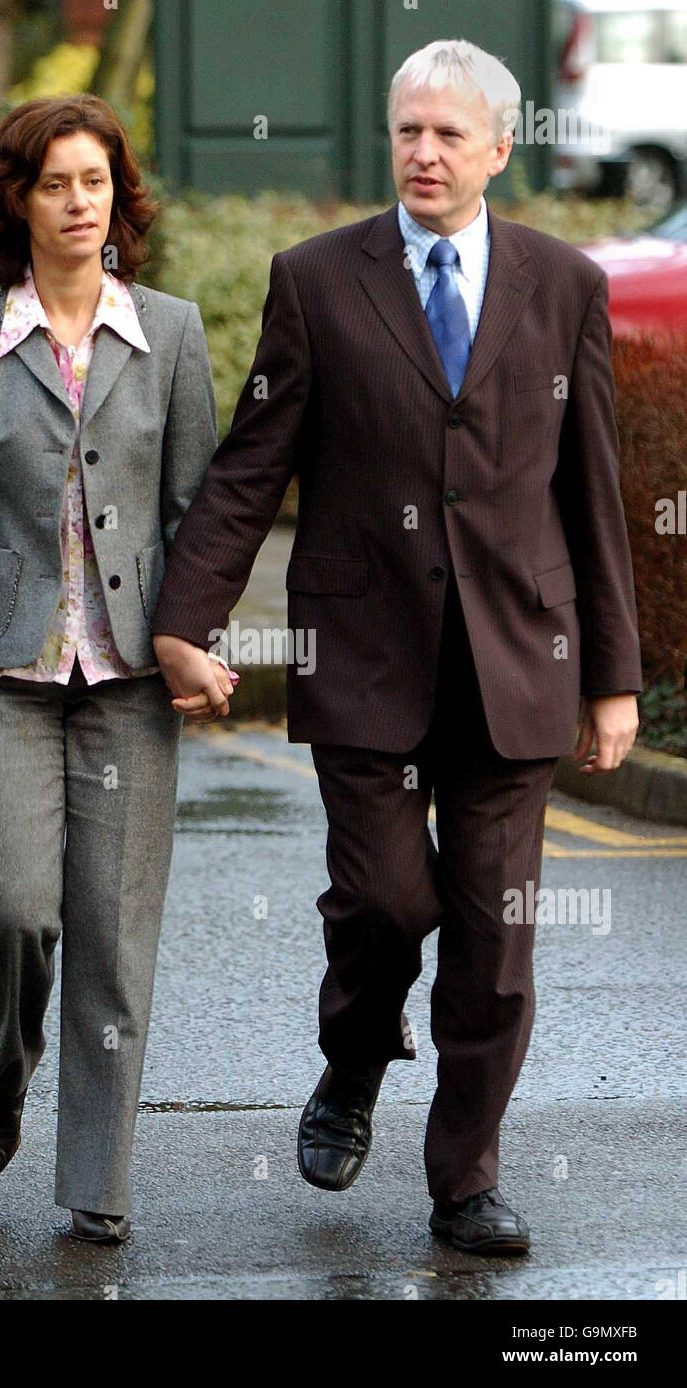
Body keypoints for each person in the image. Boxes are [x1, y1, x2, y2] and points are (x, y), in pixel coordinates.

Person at [151, 40, 642, 1255]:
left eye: (446, 134)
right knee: (383, 898)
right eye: (407, 132)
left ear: (498, 150)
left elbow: (593, 491)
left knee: (495, 938)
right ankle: (356, 1056)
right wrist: (184, 618)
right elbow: (252, 465)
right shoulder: (315, 280)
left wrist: (613, 674)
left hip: (517, 659)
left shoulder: (565, 284)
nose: (422, 153)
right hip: (361, 654)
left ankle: (464, 1178)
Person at [0, 95, 231, 1244]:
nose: (80, 203)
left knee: (114, 942)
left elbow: (197, 514)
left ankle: (97, 1185)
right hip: (1, 671)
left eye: (96, 182)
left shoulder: (170, 334)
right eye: (55, 184)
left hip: (129, 682)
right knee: (16, 912)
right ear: (16, 202)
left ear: (118, 197)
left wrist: (195, 641)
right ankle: (0, 1077)